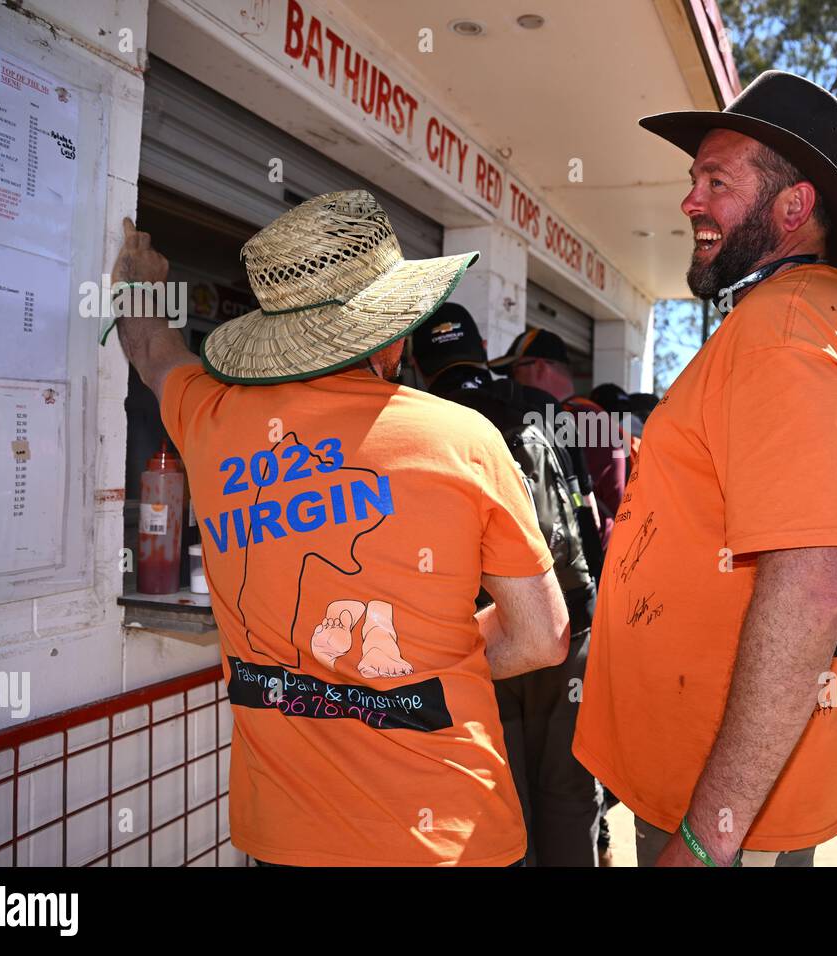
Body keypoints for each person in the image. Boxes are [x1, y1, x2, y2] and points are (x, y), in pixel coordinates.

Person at [104, 191, 569, 866]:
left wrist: (141, 281)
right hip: (449, 837)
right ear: (395, 337)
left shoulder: (213, 418)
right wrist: (419, 663)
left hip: (289, 841)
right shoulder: (462, 439)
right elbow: (543, 638)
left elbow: (151, 352)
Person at [573, 70, 837, 867]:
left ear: (793, 209)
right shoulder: (821, 319)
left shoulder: (786, 331)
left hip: (723, 806)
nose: (690, 201)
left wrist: (706, 834)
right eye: (693, 179)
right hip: (757, 783)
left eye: (716, 180)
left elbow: (811, 584)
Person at [410, 303, 602, 866]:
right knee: (568, 796)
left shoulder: (423, 416)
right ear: (480, 350)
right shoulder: (542, 408)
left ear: (418, 365)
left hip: (484, 643)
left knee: (502, 802)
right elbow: (584, 518)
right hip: (570, 624)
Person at [491, 330, 622, 559]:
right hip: (602, 556)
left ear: (540, 367)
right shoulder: (591, 414)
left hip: (590, 559)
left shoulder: (570, 420)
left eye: (514, 370)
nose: (510, 382)